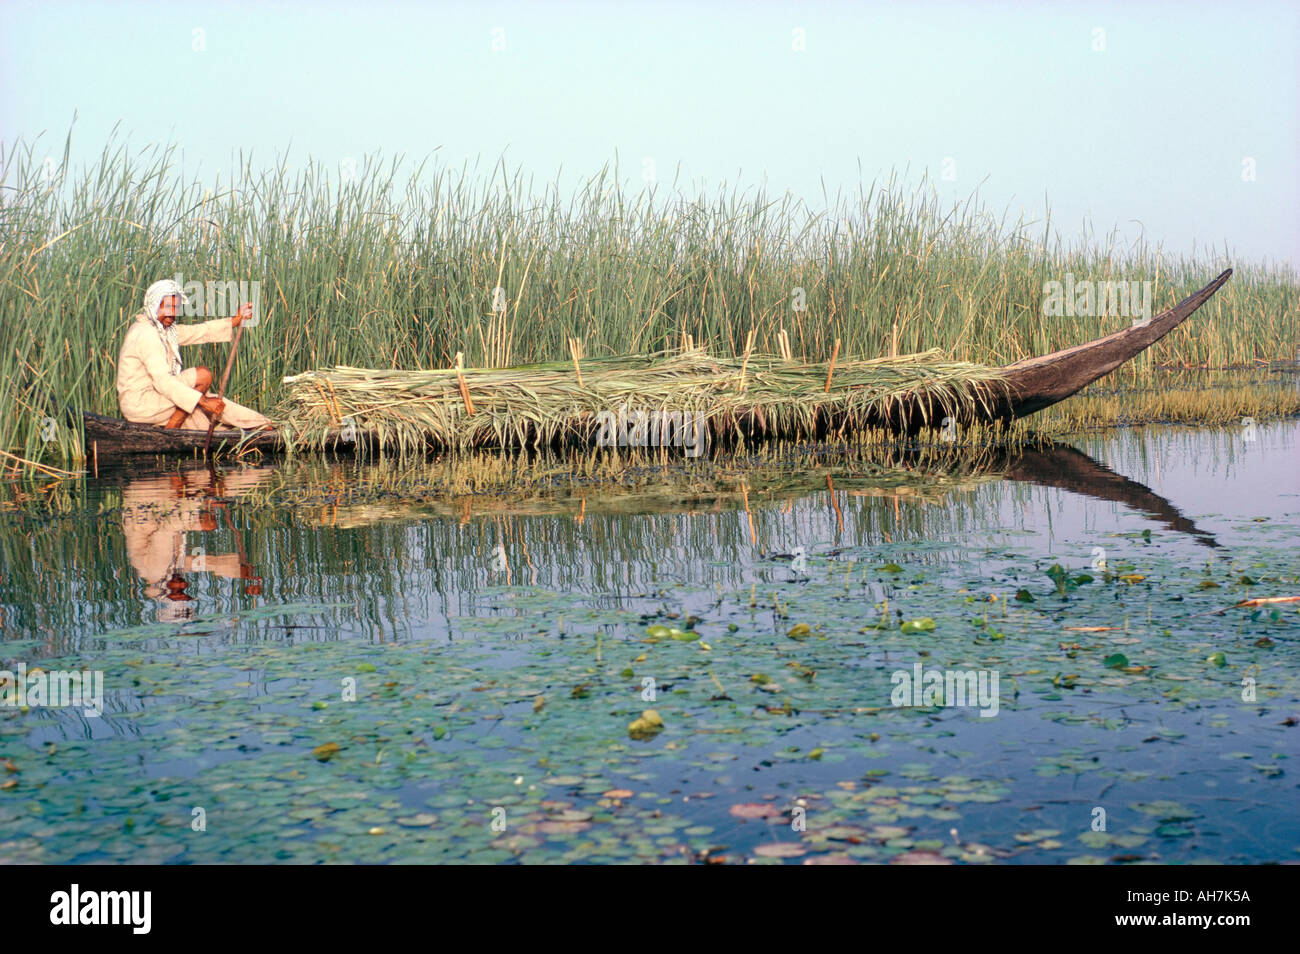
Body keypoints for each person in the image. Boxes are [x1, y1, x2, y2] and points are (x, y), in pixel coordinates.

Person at [116, 278, 273, 430]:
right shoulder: (146, 333)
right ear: (153, 304)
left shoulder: (163, 330)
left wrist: (235, 320)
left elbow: (198, 331)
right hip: (141, 405)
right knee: (203, 376)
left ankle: (262, 425)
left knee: (210, 415)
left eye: (176, 308)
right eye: (167, 306)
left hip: (157, 401)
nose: (172, 313)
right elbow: (163, 381)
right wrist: (203, 401)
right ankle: (174, 426)